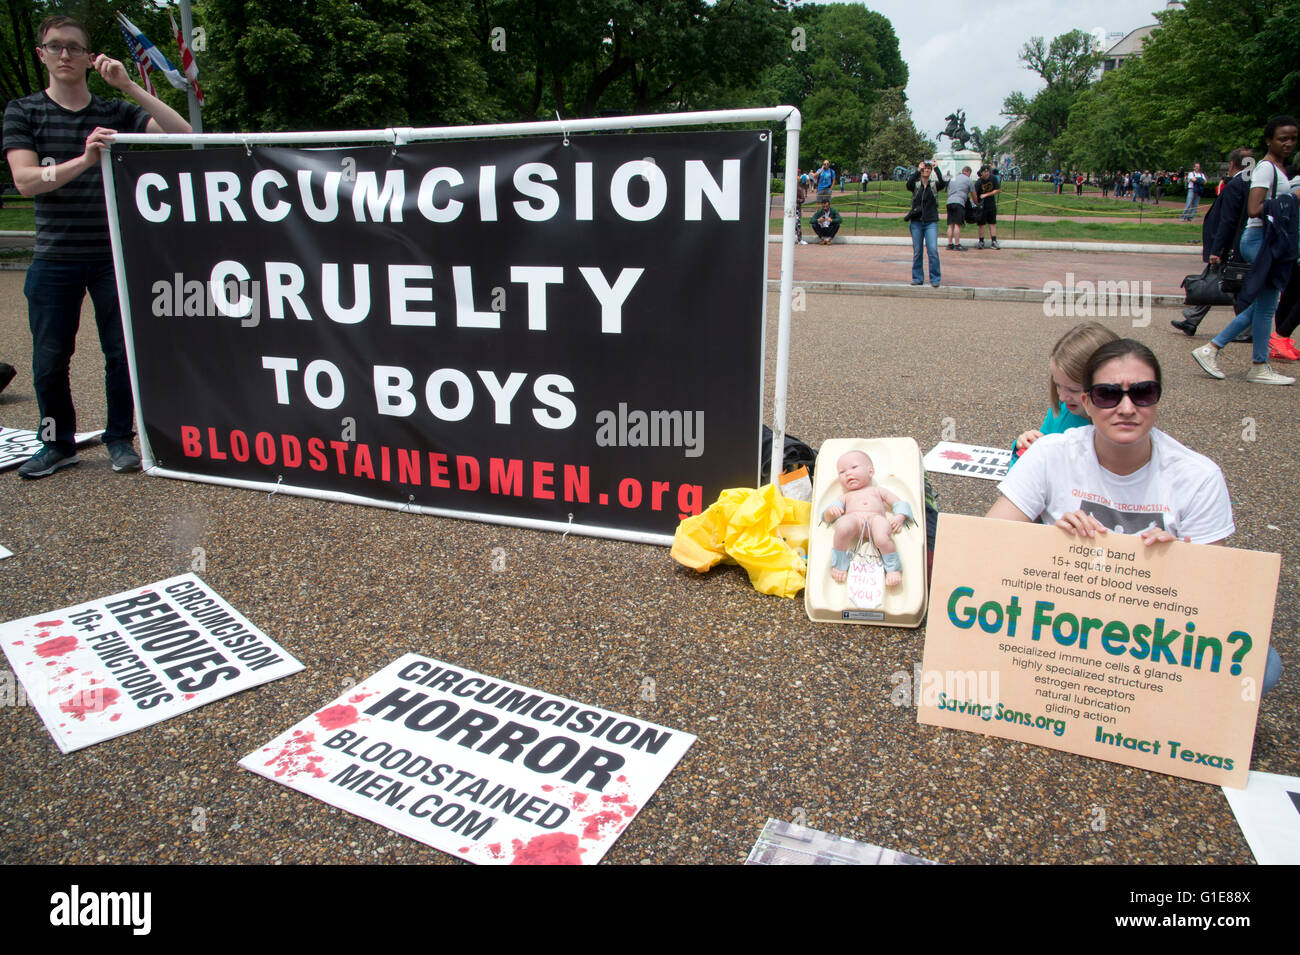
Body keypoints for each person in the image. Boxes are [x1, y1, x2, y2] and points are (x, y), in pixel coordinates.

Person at [988, 338, 1282, 693]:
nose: (1126, 407)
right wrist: (1049, 539)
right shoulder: (1050, 454)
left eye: (1142, 393)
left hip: (1146, 631)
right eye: (1108, 395)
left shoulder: (1199, 476)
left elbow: (1215, 598)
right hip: (1061, 617)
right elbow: (988, 545)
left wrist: (1182, 560)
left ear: (1157, 399)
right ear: (1087, 402)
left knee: (1261, 664)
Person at [4, 15, 191, 479]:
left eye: (73, 47)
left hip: (112, 256)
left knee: (119, 353)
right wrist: (84, 160)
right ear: (41, 54)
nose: (64, 55)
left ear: (90, 58)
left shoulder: (112, 111)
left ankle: (119, 439)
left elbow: (182, 135)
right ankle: (55, 443)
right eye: (54, 46)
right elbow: (26, 181)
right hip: (54, 255)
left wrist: (129, 86)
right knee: (49, 357)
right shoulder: (23, 111)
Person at [1192, 115, 1298, 385]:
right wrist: (1292, 198)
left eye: (1293, 139)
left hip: (1264, 239)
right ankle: (1249, 362)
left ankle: (1222, 352)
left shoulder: (1276, 168)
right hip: (1259, 238)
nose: (1288, 143)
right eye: (1282, 138)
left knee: (1264, 304)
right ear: (1269, 139)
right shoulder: (1265, 169)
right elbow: (1254, 209)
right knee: (1265, 305)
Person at [1010, 321, 1118, 467]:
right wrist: (1023, 448)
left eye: (1073, 390)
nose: (1062, 397)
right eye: (1057, 385)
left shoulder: (1121, 432)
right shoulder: (1061, 411)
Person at [1172, 147, 1254, 337]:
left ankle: (1247, 330)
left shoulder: (1237, 185)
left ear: (1232, 164)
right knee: (1214, 278)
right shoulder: (1251, 183)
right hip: (1239, 243)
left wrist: (1217, 248)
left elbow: (1228, 220)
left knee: (1230, 283)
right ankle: (1192, 319)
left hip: (1231, 245)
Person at [823, 450, 914, 588]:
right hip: (855, 521)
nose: (848, 473)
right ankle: (840, 564)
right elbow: (827, 517)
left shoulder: (878, 491)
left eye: (854, 467)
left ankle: (892, 568)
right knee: (842, 526)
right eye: (842, 472)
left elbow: (900, 503)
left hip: (875, 519)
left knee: (882, 537)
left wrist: (900, 516)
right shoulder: (845, 496)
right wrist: (831, 512)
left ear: (870, 472)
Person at [905, 160, 946, 285]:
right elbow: (908, 184)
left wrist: (937, 168)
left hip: (930, 222)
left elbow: (943, 183)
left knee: (932, 250)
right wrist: (917, 170)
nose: (926, 170)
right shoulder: (916, 185)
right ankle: (917, 277)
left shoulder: (934, 185)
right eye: (924, 168)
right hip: (916, 222)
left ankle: (935, 278)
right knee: (918, 251)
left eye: (928, 168)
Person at [945, 165, 974, 251]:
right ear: (968, 172)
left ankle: (949, 244)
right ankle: (957, 244)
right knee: (957, 224)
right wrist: (976, 203)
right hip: (959, 202)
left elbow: (948, 191)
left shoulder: (954, 178)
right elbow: (973, 193)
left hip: (949, 202)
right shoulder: (968, 180)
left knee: (950, 224)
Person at [973, 165, 1000, 249]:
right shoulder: (978, 182)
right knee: (981, 224)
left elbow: (997, 190)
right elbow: (974, 195)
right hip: (982, 206)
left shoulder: (993, 179)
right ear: (981, 173)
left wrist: (986, 194)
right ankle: (981, 241)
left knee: (992, 223)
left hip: (991, 204)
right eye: (984, 172)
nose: (986, 173)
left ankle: (994, 241)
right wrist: (976, 204)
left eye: (988, 171)